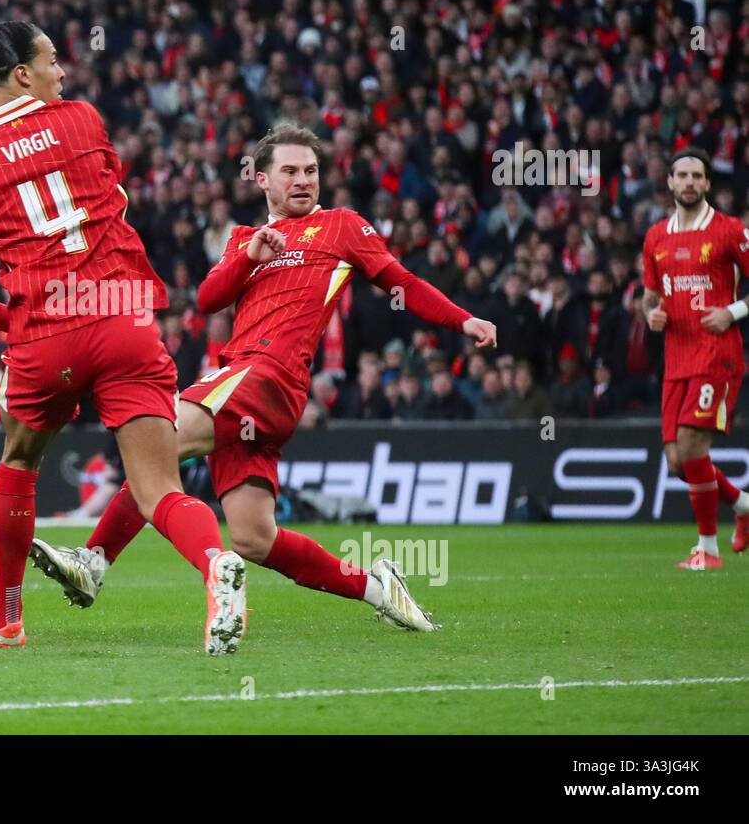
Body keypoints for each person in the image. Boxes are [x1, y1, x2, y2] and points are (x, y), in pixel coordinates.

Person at [30, 123, 498, 632]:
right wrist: (249, 257)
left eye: (312, 171)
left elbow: (399, 281)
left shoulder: (341, 226)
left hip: (267, 374)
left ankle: (93, 563)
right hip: (247, 390)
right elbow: (209, 299)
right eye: (291, 171)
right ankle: (375, 586)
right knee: (254, 538)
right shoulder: (244, 239)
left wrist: (462, 319)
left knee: (156, 441)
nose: (304, 181)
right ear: (261, 179)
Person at [0, 21, 247, 654]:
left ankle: (8, 616)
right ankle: (215, 563)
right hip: (122, 314)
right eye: (51, 59)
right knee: (159, 489)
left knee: (19, 462)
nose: (62, 70)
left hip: (44, 333)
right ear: (23, 73)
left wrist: (6, 319)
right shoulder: (82, 119)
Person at [641, 148, 749, 569]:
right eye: (681, 175)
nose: (689, 182)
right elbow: (650, 295)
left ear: (707, 184)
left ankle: (709, 549)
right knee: (677, 462)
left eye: (696, 176)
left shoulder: (729, 231)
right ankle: (742, 505)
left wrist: (733, 311)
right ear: (669, 182)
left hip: (717, 355)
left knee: (689, 448)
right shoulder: (655, 237)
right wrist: (650, 312)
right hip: (677, 358)